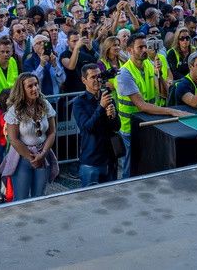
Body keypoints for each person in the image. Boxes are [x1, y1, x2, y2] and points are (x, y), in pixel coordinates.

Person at [115, 33, 188, 177]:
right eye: (140, 47)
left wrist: (160, 74)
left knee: (147, 165)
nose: (144, 50)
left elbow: (163, 93)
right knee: (131, 168)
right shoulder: (124, 73)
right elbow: (141, 105)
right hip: (131, 128)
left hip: (148, 123)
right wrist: (172, 112)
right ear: (130, 50)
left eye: (145, 46)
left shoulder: (149, 64)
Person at [3, 73, 56, 200]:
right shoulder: (14, 110)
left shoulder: (45, 104)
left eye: (36, 84)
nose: (35, 88)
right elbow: (13, 139)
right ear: (22, 90)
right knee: (21, 199)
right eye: (30, 86)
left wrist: (42, 154)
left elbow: (52, 133)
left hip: (43, 154)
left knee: (39, 197)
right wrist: (31, 158)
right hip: (22, 158)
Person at [72, 64, 122, 186]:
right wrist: (101, 107)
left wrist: (113, 115)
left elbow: (116, 127)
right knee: (90, 201)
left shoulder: (107, 97)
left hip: (110, 159)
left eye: (99, 76)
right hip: (92, 161)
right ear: (84, 80)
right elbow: (88, 127)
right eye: (93, 77)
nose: (97, 80)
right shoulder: (79, 102)